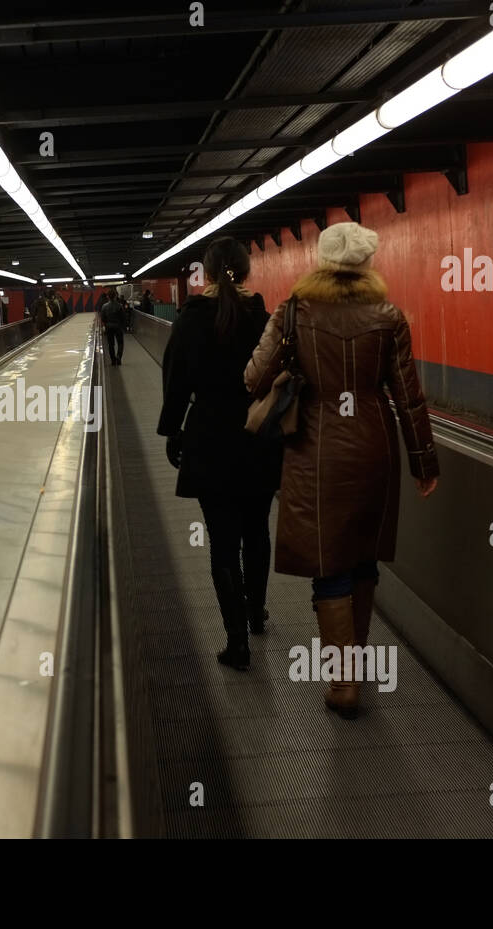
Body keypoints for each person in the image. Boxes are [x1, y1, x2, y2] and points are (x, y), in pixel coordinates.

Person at [244, 222, 439, 716]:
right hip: (375, 449)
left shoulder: (292, 313)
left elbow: (254, 378)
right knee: (363, 557)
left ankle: (343, 681)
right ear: (366, 264)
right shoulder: (389, 317)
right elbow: (408, 397)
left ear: (322, 262)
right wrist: (423, 462)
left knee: (328, 562)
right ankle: (356, 669)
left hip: (316, 452)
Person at [158, 237, 280, 670]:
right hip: (259, 439)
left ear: (204, 275)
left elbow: (175, 382)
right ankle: (256, 613)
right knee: (258, 531)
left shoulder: (190, 321)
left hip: (210, 440)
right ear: (246, 272)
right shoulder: (265, 318)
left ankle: (237, 643)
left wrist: (173, 431)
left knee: (223, 542)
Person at [98, 289, 126, 365]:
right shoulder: (119, 306)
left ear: (108, 297)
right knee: (120, 343)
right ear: (115, 296)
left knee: (111, 344)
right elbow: (123, 317)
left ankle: (113, 360)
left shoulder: (104, 306)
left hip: (109, 327)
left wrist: (106, 324)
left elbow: (103, 318)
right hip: (118, 327)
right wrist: (124, 327)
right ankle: (119, 357)